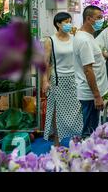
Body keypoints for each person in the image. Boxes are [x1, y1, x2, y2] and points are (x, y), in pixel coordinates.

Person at [42, 12, 83, 146]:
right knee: (57, 111)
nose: (69, 24)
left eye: (70, 21)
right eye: (66, 22)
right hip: (58, 80)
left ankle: (77, 139)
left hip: (74, 79)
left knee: (77, 111)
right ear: (58, 24)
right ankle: (57, 141)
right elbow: (46, 63)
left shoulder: (75, 38)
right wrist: (45, 81)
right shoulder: (50, 40)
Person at [73, 5, 108, 137]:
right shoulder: (84, 40)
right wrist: (97, 96)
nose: (101, 21)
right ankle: (84, 156)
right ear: (88, 19)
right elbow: (88, 70)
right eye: (98, 18)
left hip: (93, 93)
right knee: (89, 133)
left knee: (93, 128)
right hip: (90, 95)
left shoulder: (88, 36)